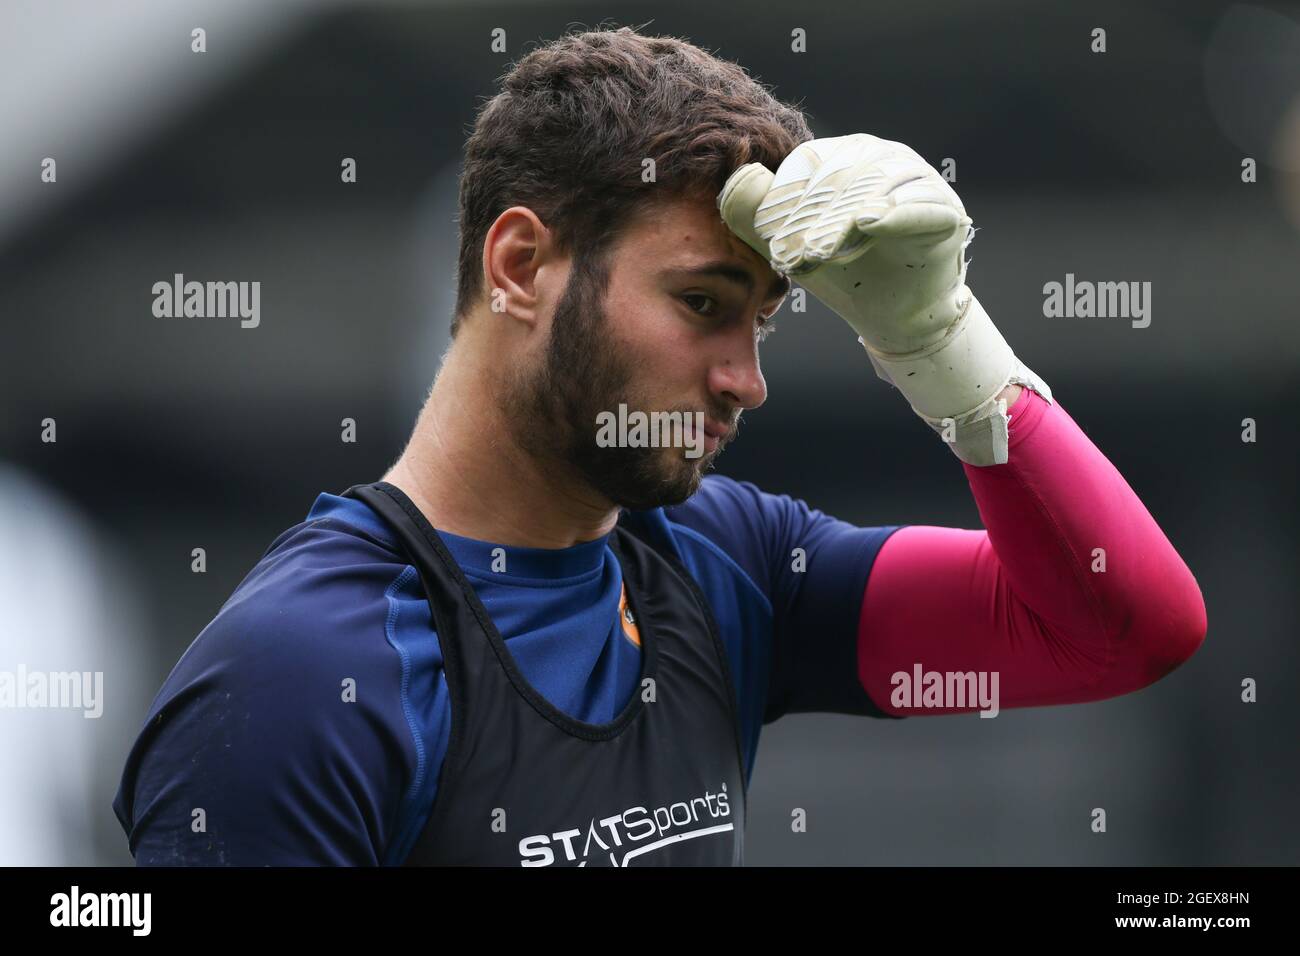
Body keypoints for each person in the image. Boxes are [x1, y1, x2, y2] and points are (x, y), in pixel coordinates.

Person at [113, 26, 1206, 867]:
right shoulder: (302, 676)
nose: (747, 377)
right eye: (700, 301)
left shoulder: (724, 559)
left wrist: (939, 340)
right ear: (520, 265)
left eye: (762, 320)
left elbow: (1123, 630)